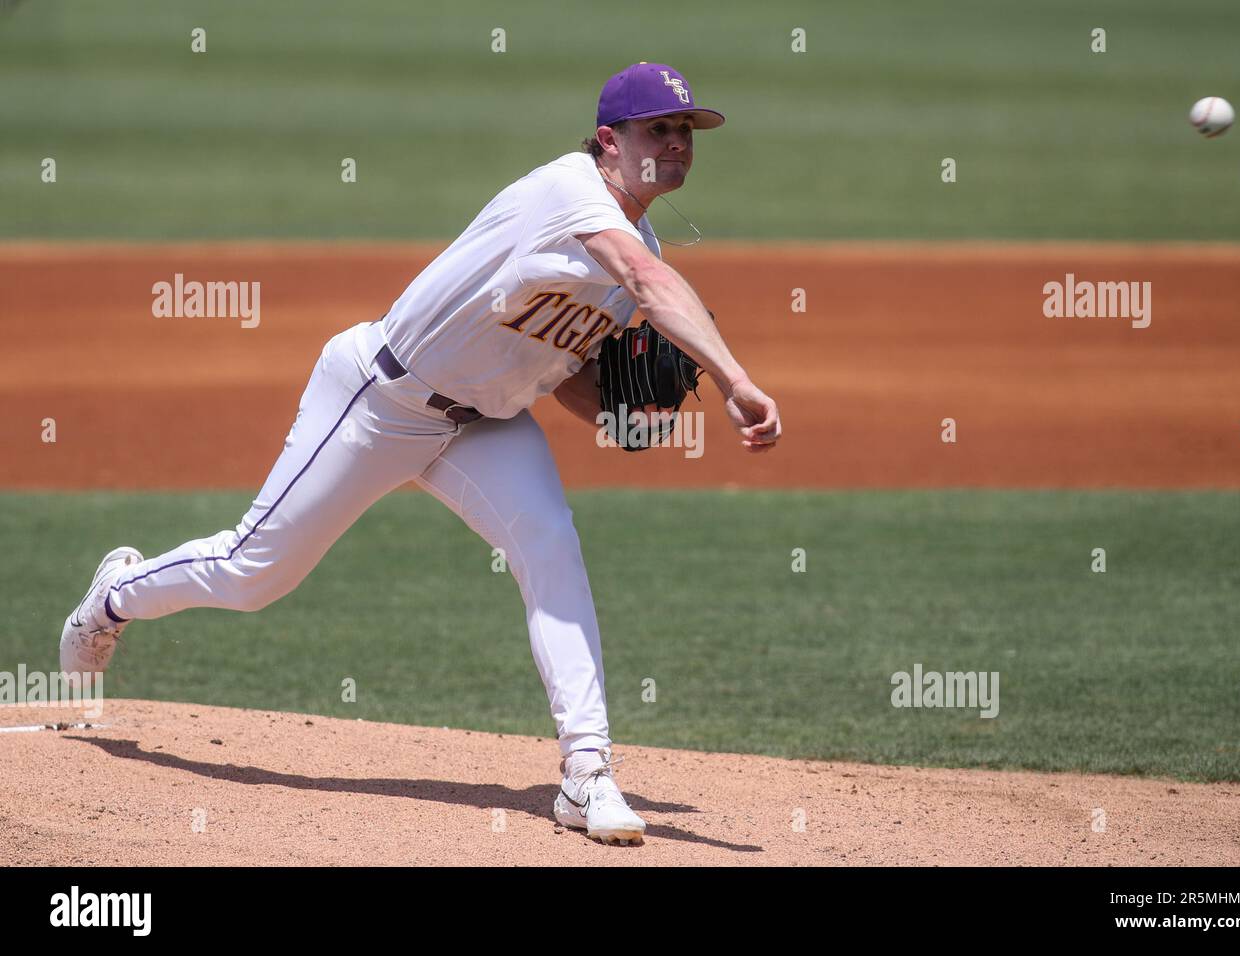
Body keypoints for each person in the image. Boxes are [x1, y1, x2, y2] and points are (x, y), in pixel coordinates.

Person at [59, 62, 781, 846]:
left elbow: (564, 372)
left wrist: (619, 421)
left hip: (483, 425)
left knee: (551, 547)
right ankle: (114, 597)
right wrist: (733, 379)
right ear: (610, 141)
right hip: (379, 402)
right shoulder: (570, 192)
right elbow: (648, 280)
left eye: (685, 132)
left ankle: (587, 772)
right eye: (659, 130)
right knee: (255, 572)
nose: (677, 144)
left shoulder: (631, 244)